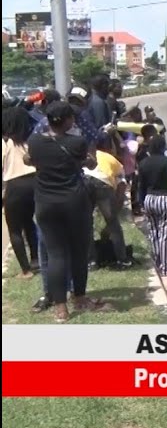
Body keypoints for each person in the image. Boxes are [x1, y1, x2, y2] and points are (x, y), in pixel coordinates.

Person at [27, 101, 108, 323]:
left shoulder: (34, 141)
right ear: (68, 120)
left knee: (55, 255)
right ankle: (80, 297)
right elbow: (90, 165)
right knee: (78, 252)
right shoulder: (77, 142)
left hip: (45, 203)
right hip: (74, 202)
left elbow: (29, 160)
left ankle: (60, 308)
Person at [137, 136, 167, 277]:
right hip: (165, 199)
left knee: (153, 233)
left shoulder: (144, 162)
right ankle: (166, 267)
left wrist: (141, 202)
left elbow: (141, 185)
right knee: (166, 234)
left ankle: (157, 263)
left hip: (149, 199)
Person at [84, 136, 133, 269]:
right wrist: (116, 207)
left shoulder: (83, 155)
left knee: (86, 224)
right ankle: (122, 260)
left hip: (85, 181)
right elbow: (122, 184)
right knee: (113, 224)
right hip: (103, 183)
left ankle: (91, 262)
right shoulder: (111, 159)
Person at [3, 105, 39, 277]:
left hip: (15, 186)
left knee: (15, 229)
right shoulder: (33, 140)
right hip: (36, 182)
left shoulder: (5, 143)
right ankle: (36, 259)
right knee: (31, 224)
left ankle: (25, 270)